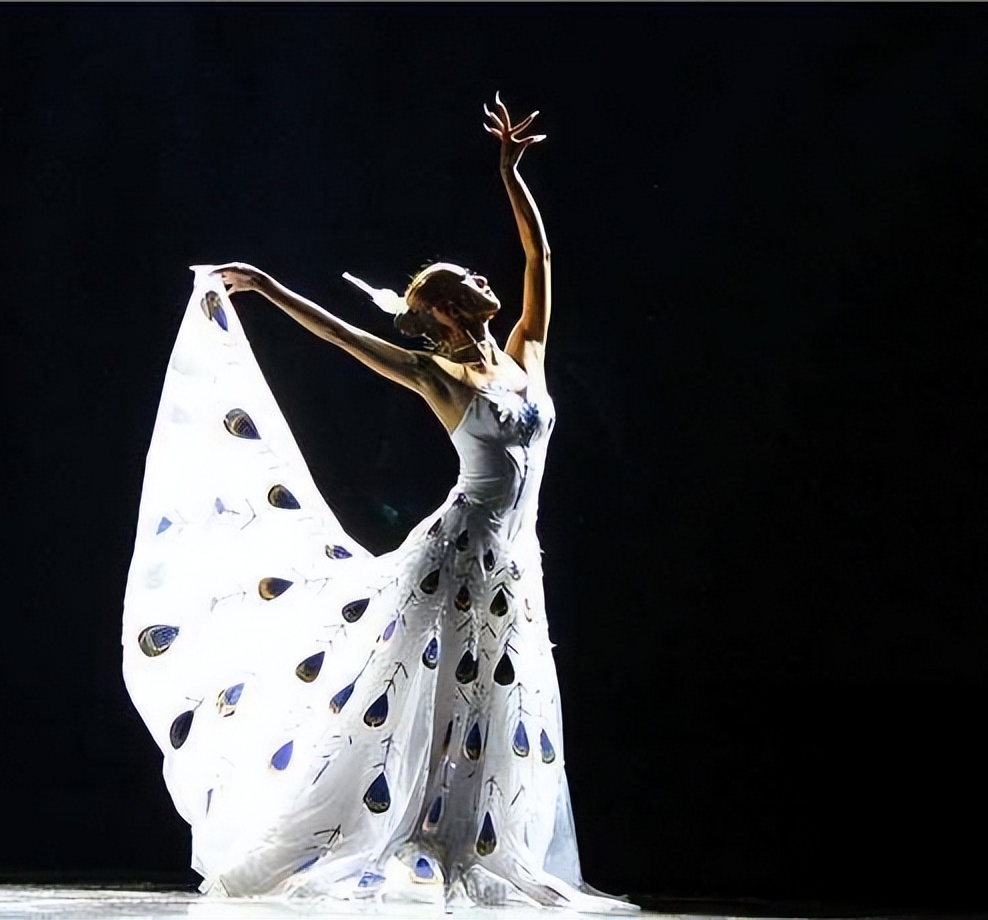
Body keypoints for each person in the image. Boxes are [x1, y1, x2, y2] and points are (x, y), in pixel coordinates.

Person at [122, 94, 634, 910]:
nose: (485, 278)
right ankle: (399, 837)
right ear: (444, 310)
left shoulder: (524, 354)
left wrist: (510, 173)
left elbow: (539, 257)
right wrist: (269, 287)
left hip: (515, 566)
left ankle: (465, 843)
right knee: (420, 698)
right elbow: (342, 336)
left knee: (496, 701)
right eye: (466, 281)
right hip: (458, 558)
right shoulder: (437, 374)